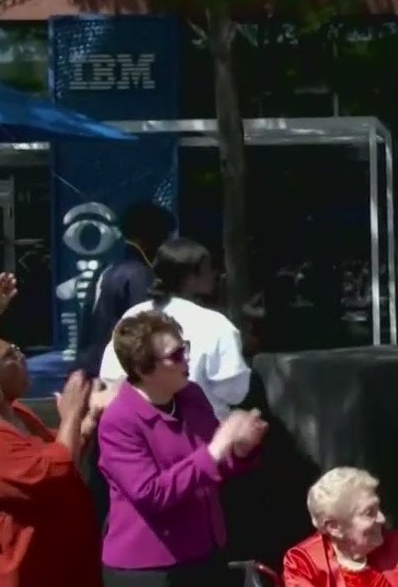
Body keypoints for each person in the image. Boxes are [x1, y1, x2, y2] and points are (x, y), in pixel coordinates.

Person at [97, 310, 266, 587]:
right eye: (175, 355)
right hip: (149, 569)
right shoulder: (119, 420)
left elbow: (214, 466)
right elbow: (152, 494)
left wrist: (240, 450)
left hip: (203, 552)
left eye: (184, 348)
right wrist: (216, 449)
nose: (186, 359)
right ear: (144, 370)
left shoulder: (191, 396)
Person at [0, 333, 112, 587]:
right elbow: (54, 474)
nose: (21, 357)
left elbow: (59, 449)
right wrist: (71, 413)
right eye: (10, 355)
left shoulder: (16, 413)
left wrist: (85, 423)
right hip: (6, 576)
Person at [100, 237, 251, 419]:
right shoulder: (216, 324)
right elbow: (235, 392)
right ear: (190, 278)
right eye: (209, 268)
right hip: (205, 430)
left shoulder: (134, 316)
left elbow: (111, 376)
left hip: (142, 425)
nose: (215, 274)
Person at [282, 467, 398, 587]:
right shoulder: (304, 562)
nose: (382, 519)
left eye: (378, 508)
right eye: (369, 513)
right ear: (334, 527)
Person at [80, 201, 176, 375]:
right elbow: (145, 331)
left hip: (96, 365)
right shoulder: (140, 275)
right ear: (148, 239)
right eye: (165, 238)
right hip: (122, 370)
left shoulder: (107, 268)